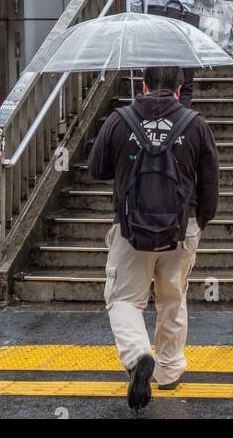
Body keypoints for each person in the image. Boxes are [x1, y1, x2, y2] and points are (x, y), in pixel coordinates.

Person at [88, 66, 219, 411]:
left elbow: (96, 168)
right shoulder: (195, 124)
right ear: (179, 90)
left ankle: (138, 355)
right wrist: (200, 221)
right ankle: (170, 369)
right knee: (172, 298)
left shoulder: (120, 120)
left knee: (123, 300)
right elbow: (210, 182)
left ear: (143, 85)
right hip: (181, 227)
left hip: (131, 229)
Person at [128, 0, 221, 109]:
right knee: (184, 84)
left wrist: (142, 25)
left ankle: (152, 118)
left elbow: (134, 3)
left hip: (153, 32)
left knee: (154, 81)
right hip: (182, 31)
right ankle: (180, 122)